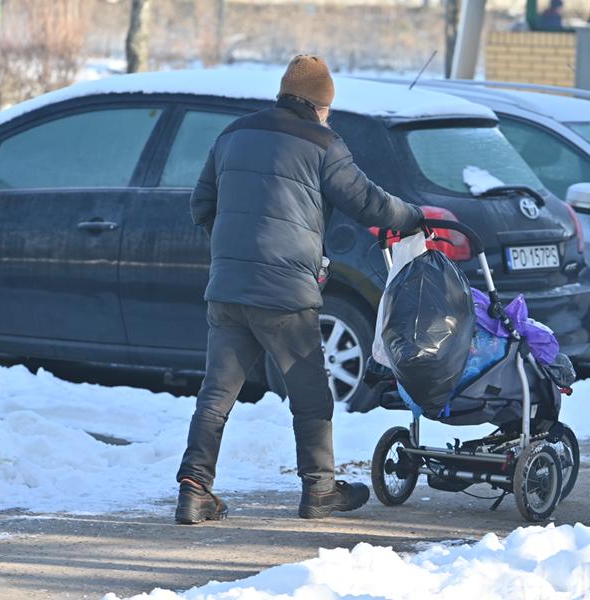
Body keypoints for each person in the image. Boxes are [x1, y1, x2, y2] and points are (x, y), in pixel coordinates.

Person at [175, 55, 424, 523]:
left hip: (228, 288)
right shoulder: (322, 142)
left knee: (216, 394)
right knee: (310, 394)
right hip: (285, 291)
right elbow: (365, 201)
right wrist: (412, 217)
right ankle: (320, 491)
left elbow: (201, 204)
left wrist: (234, 251)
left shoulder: (234, 133)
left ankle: (194, 488)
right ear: (319, 105)